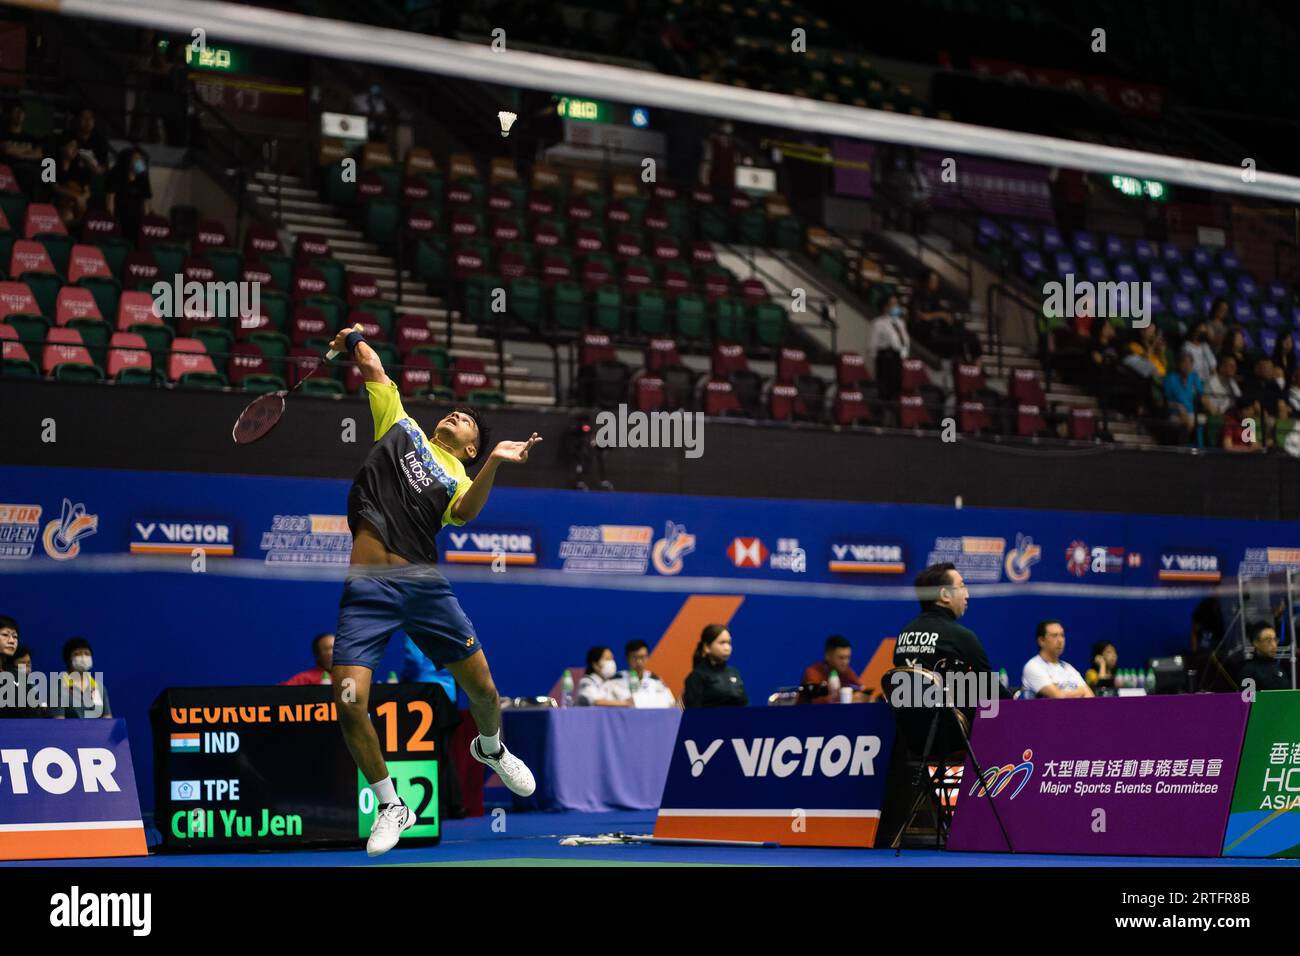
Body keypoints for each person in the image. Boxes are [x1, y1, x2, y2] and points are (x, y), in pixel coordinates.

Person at [325, 321, 540, 856]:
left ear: (471, 450)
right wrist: (352, 336)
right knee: (349, 701)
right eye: (454, 411)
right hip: (368, 587)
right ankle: (391, 803)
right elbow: (374, 366)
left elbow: (465, 512)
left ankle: (491, 748)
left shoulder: (461, 479)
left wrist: (493, 463)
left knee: (485, 690)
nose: (456, 415)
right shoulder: (399, 425)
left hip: (421, 584)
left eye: (467, 421)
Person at [892, 563, 1004, 712]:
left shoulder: (904, 634)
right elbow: (993, 691)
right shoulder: (960, 636)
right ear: (945, 595)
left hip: (907, 732)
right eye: (962, 586)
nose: (967, 595)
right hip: (951, 731)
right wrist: (1020, 703)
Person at [1021, 620, 1093, 699]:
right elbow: (1058, 697)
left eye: (1062, 635)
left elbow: (1090, 696)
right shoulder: (1033, 666)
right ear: (1041, 641)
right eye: (1054, 636)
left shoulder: (1068, 667)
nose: (1060, 640)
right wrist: (1080, 691)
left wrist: (1066, 693)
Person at [683, 624, 747, 708]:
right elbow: (693, 714)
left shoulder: (734, 673)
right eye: (722, 643)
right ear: (707, 647)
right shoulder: (696, 677)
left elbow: (745, 705)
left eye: (729, 643)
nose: (727, 648)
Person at [800, 635, 867, 704]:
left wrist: (860, 696)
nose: (845, 662)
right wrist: (846, 698)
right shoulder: (813, 672)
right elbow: (816, 702)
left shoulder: (846, 671)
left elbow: (860, 689)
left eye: (848, 657)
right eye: (841, 658)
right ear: (828, 656)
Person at [868, 294, 910, 403]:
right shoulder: (878, 323)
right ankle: (885, 415)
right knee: (885, 392)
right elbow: (872, 346)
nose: (896, 307)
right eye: (893, 304)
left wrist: (903, 355)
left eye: (897, 304)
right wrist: (876, 365)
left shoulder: (900, 323)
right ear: (885, 307)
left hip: (897, 359)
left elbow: (904, 342)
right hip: (885, 359)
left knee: (898, 391)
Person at [105, 148, 153, 243]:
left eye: (141, 159)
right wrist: (111, 218)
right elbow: (110, 197)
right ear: (127, 160)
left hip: (136, 215)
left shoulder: (143, 176)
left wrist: (146, 220)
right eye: (136, 159)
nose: (139, 162)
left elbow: (147, 200)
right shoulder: (116, 173)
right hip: (119, 214)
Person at [612, 639, 676, 708]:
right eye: (635, 657)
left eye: (642, 657)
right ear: (627, 658)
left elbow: (670, 702)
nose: (639, 662)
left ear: (648, 657)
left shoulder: (655, 680)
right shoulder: (617, 680)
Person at [58, 637, 111, 718]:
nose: (83, 658)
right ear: (68, 660)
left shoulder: (99, 687)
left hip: (98, 731)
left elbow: (107, 719)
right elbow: (57, 723)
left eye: (86, 653)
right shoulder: (57, 688)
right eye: (77, 654)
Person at [50, 136, 93, 229]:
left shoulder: (81, 168)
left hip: (78, 205)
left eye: (77, 147)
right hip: (57, 204)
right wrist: (76, 196)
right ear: (62, 147)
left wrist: (82, 198)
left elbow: (88, 191)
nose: (75, 150)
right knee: (67, 216)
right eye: (71, 146)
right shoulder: (50, 163)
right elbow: (54, 187)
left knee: (89, 220)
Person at [1163, 349, 1204, 445]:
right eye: (1184, 362)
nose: (1187, 365)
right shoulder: (1170, 379)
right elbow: (1165, 402)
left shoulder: (1194, 377)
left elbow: (1201, 395)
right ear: (1178, 364)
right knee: (1186, 422)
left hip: (1192, 413)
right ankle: (1184, 450)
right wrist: (1178, 406)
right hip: (1175, 413)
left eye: (1190, 363)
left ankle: (1200, 450)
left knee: (1201, 420)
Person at [1238, 622, 1290, 691]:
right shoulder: (1248, 671)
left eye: (1275, 640)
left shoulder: (1279, 667)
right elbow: (1247, 701)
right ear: (1256, 643)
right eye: (1268, 640)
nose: (1274, 645)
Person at [67, 107, 109, 176]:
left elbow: (103, 166)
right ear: (78, 120)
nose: (88, 121)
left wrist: (99, 169)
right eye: (84, 118)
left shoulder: (100, 141)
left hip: (90, 178)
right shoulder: (69, 136)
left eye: (90, 118)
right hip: (69, 176)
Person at [1182, 321, 1218, 386]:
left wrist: (1215, 384)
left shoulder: (1205, 346)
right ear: (1195, 331)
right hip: (1193, 383)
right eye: (1203, 329)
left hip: (1208, 383)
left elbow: (1213, 366)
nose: (1206, 332)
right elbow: (1187, 369)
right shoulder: (1187, 347)